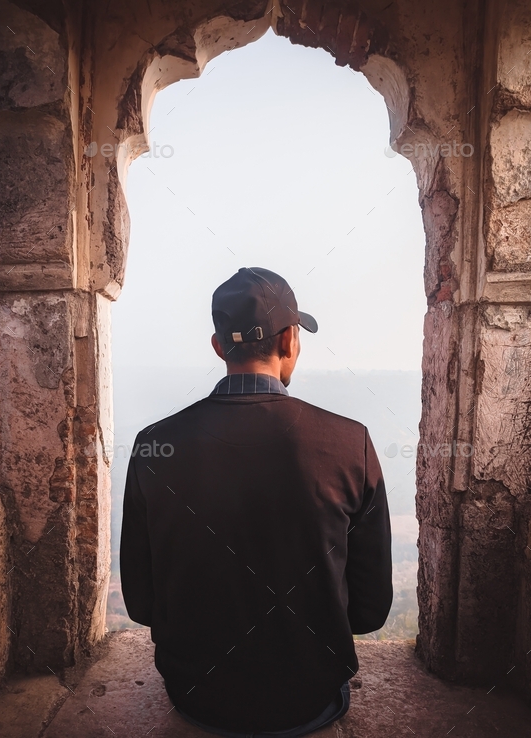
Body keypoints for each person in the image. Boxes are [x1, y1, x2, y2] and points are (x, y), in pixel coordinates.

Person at [120, 267, 393, 737]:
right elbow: (370, 612)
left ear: (219, 346)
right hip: (312, 698)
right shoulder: (351, 443)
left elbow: (142, 604)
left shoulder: (153, 445)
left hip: (196, 695)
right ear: (290, 341)